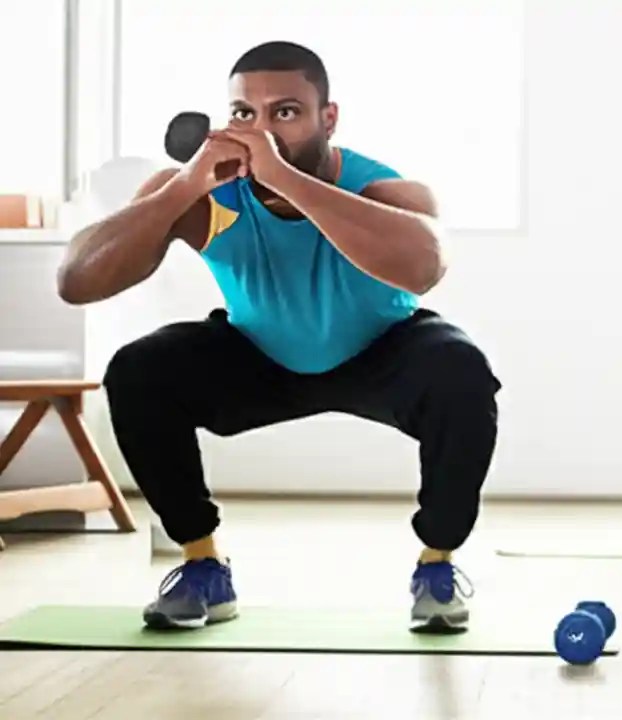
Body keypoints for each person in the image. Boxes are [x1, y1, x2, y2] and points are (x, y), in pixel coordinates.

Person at [56, 41, 500, 634]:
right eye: (245, 114)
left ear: (328, 119)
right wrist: (181, 188)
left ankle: (437, 566)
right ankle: (202, 567)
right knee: (140, 368)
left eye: (285, 112)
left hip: (384, 352)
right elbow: (77, 282)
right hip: (257, 354)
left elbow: (425, 268)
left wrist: (287, 181)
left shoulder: (384, 189)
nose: (261, 130)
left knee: (460, 368)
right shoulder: (203, 191)